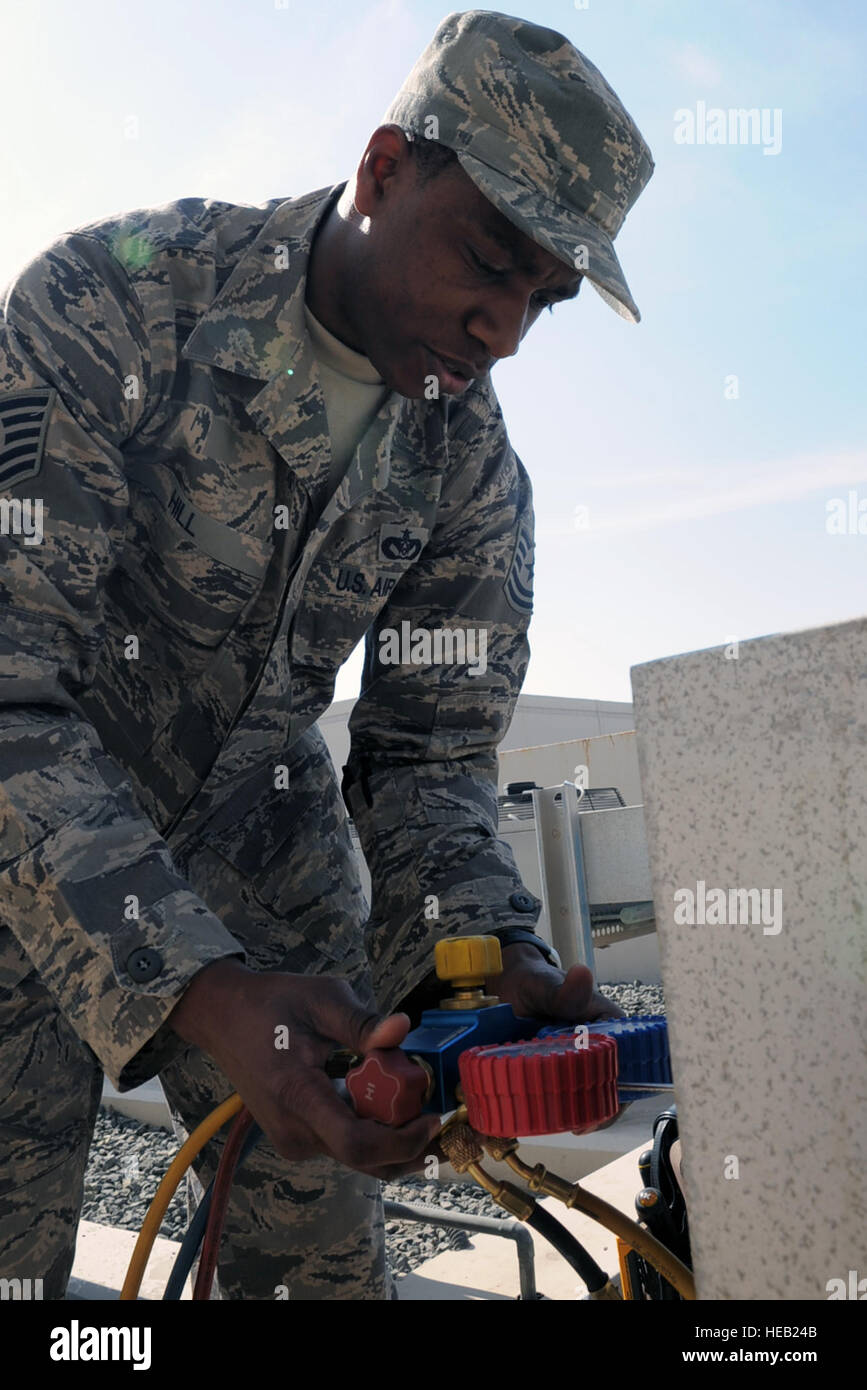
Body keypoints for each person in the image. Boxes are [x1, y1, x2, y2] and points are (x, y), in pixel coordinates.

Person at [0, 9, 653, 1299]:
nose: (504, 329)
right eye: (488, 258)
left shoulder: (468, 464)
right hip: (23, 865)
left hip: (273, 873)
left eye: (544, 298)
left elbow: (431, 758)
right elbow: (8, 689)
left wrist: (482, 949)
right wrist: (192, 979)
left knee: (316, 1265)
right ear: (383, 166)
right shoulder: (115, 306)